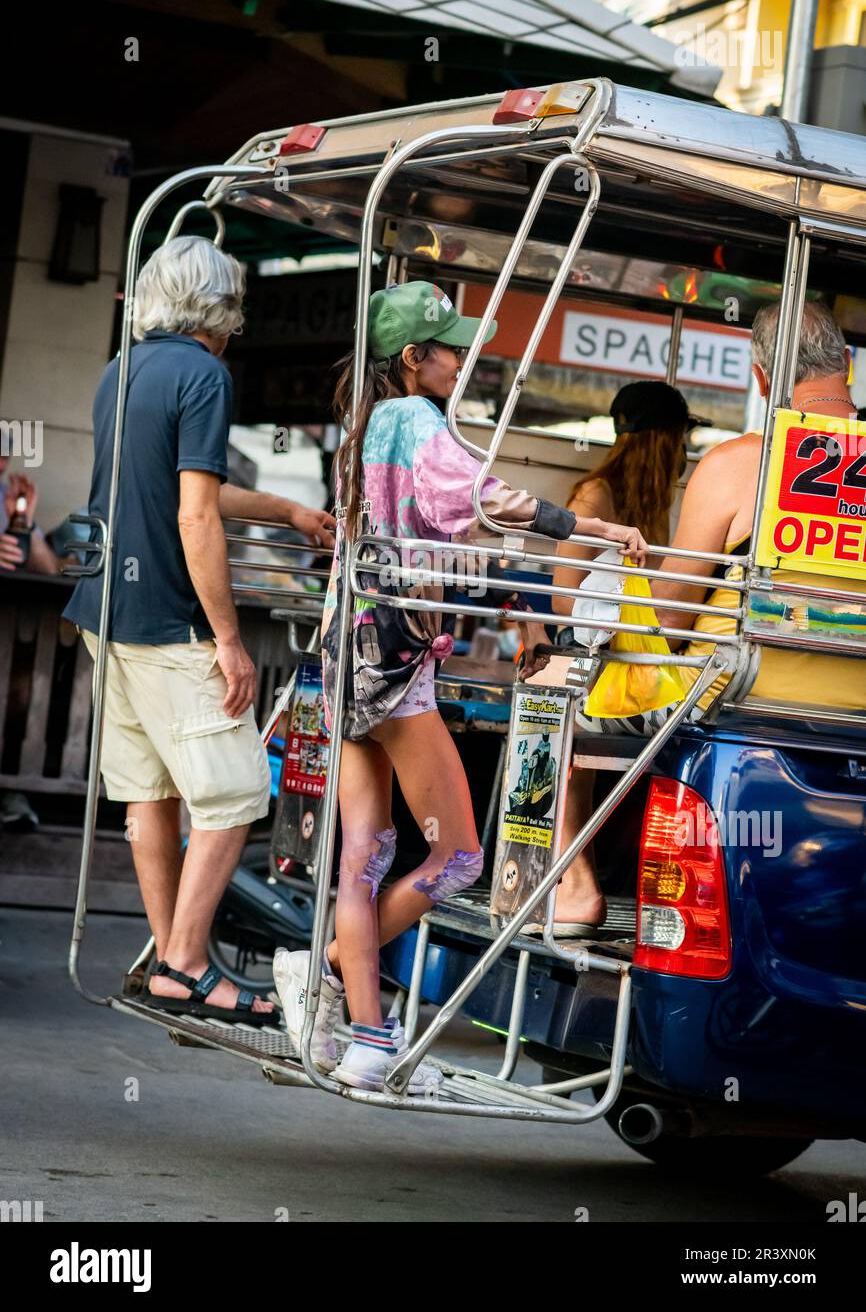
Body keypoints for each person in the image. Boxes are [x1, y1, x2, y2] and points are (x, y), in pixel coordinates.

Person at [272, 279, 647, 1092]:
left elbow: (446, 532)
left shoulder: (363, 427)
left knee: (362, 863)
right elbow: (491, 501)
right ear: (414, 359)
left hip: (350, 657)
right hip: (399, 667)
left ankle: (366, 1034)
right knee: (461, 857)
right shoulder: (414, 419)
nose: (462, 361)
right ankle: (334, 969)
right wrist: (598, 528)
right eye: (450, 349)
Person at [65, 235, 335, 1025]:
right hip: (166, 626)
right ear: (218, 309)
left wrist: (286, 510)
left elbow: (188, 492)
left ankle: (167, 958)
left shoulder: (124, 369)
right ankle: (184, 962)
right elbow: (192, 515)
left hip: (104, 612)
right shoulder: (204, 374)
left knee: (147, 792)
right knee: (235, 795)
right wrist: (226, 637)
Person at [536, 381, 701, 937]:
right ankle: (571, 877)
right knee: (560, 733)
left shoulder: (649, 505)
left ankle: (581, 878)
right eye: (681, 440)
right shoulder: (596, 495)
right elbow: (563, 597)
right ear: (665, 440)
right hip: (594, 660)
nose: (684, 455)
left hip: (635, 666)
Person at [652, 299, 866, 712]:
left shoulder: (735, 463)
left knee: (568, 704)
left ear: (761, 379)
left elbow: (669, 619)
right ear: (845, 361)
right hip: (857, 714)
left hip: (729, 696)